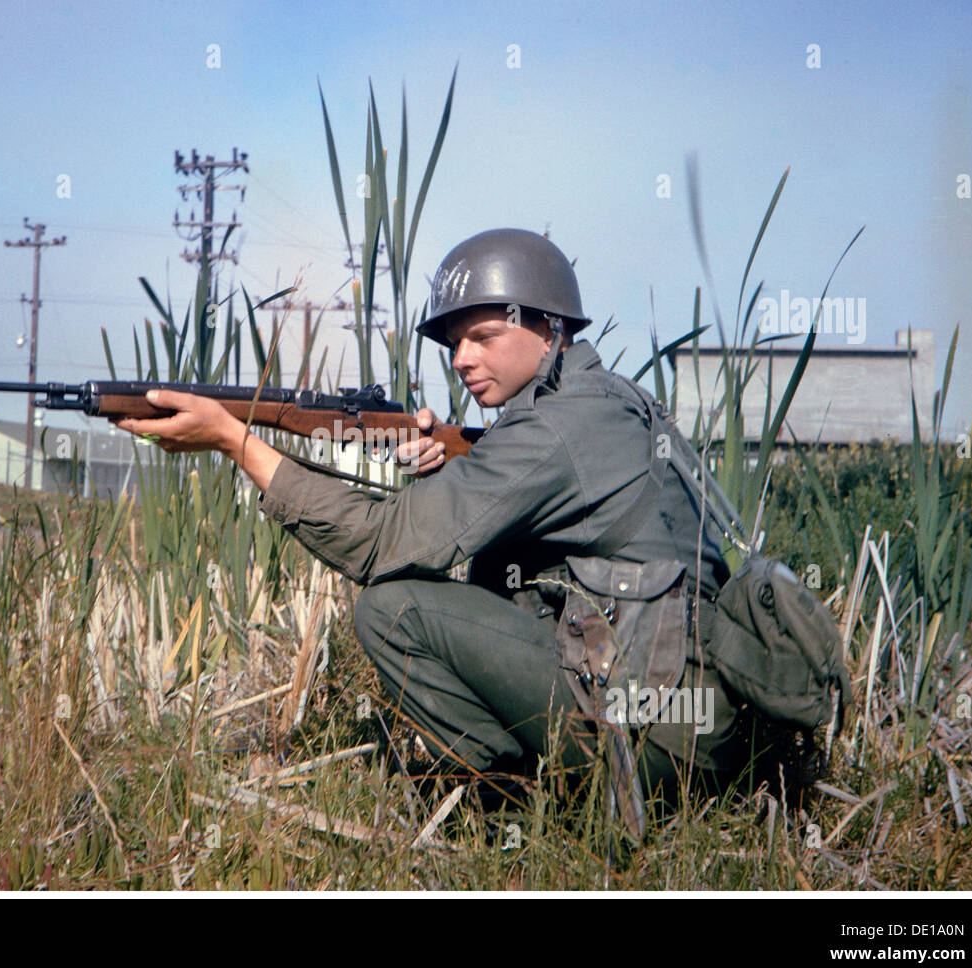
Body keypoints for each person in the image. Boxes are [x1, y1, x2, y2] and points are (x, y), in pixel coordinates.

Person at [114, 228, 760, 832]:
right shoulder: (610, 402)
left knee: (391, 610)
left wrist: (237, 441)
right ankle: (552, 803)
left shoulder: (557, 428)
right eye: (454, 343)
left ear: (549, 329)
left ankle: (511, 812)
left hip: (649, 746)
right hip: (692, 727)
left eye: (481, 336)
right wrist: (441, 470)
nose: (461, 358)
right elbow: (516, 571)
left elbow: (380, 546)